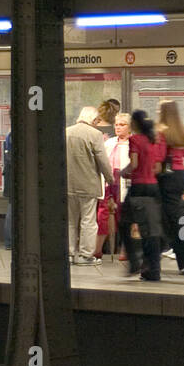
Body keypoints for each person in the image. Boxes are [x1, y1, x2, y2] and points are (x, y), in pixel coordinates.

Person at [155, 100, 184, 276]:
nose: (157, 110)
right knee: (170, 219)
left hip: (165, 178)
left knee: (169, 221)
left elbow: (159, 158)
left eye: (159, 108)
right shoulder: (183, 132)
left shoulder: (161, 132)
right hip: (180, 176)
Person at [118, 109, 165, 280]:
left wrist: (122, 172)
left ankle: (134, 262)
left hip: (138, 187)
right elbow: (158, 168)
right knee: (151, 230)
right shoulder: (154, 140)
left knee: (124, 223)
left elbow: (134, 163)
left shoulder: (135, 139)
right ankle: (153, 270)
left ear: (134, 124)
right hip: (153, 188)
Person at [65, 105, 113, 265]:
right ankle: (86, 255)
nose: (97, 123)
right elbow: (103, 161)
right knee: (88, 221)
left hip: (68, 184)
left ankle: (70, 254)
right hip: (88, 184)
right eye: (97, 120)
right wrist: (110, 179)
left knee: (71, 221)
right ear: (92, 119)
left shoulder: (66, 131)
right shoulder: (95, 134)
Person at [98, 112, 132, 259]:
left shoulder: (134, 143)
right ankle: (98, 248)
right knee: (102, 214)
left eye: (122, 124)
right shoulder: (109, 143)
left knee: (125, 216)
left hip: (125, 182)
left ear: (130, 127)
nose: (118, 127)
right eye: (117, 124)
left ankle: (126, 249)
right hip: (109, 182)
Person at [2, 129, 13, 251]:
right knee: (12, 209)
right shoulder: (14, 135)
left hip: (10, 177)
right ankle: (9, 240)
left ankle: (9, 240)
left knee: (11, 208)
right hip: (14, 178)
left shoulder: (9, 135)